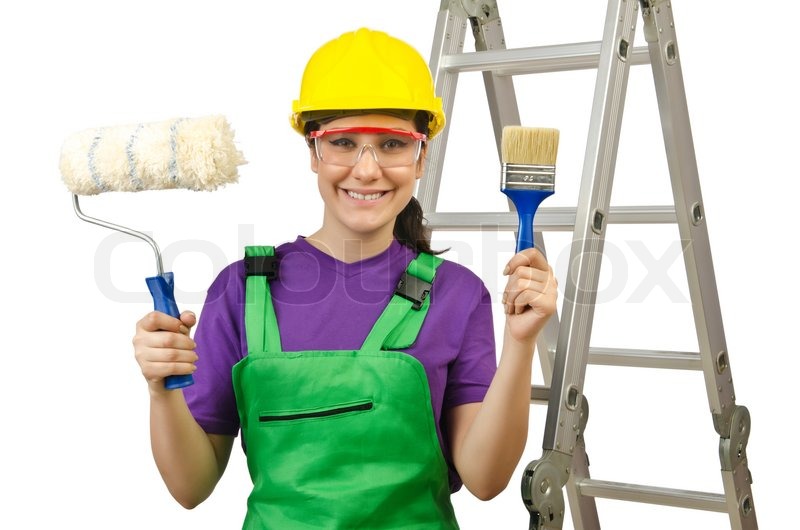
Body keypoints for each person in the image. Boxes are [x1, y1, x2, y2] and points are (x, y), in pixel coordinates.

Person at [133, 27, 557, 529]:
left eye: (393, 144)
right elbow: (190, 487)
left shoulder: (456, 293)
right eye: (343, 142)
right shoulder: (242, 291)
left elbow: (485, 480)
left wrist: (521, 342)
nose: (367, 168)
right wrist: (162, 390)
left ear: (421, 157)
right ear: (313, 153)